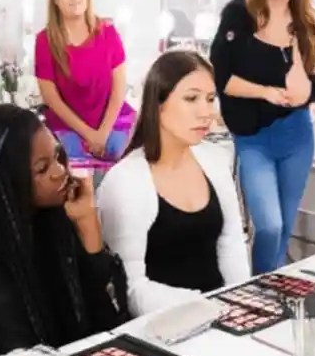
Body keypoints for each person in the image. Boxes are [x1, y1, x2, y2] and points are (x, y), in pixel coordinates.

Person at [0, 104, 130, 356]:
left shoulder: (57, 212)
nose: (60, 172)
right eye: (42, 169)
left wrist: (88, 225)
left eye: (57, 156)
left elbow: (111, 318)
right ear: (6, 179)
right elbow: (24, 348)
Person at [98, 52, 250, 316]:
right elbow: (131, 289)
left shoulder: (215, 160)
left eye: (211, 99)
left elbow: (232, 243)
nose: (207, 112)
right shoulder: (126, 181)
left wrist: (239, 306)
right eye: (191, 98)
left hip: (219, 316)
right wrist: (204, 307)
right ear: (158, 104)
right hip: (160, 326)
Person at [211, 0, 315, 274]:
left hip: (296, 134)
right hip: (253, 138)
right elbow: (222, 78)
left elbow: (310, 89)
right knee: (269, 225)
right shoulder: (237, 15)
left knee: (284, 226)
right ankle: (260, 288)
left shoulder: (305, 20)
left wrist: (298, 55)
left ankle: (274, 293)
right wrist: (264, 92)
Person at [35, 0, 135, 164]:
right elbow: (51, 98)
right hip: (68, 125)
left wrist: (102, 133)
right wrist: (89, 134)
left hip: (111, 121)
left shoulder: (108, 32)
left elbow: (119, 89)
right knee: (72, 160)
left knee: (121, 153)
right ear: (55, 0)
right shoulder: (45, 40)